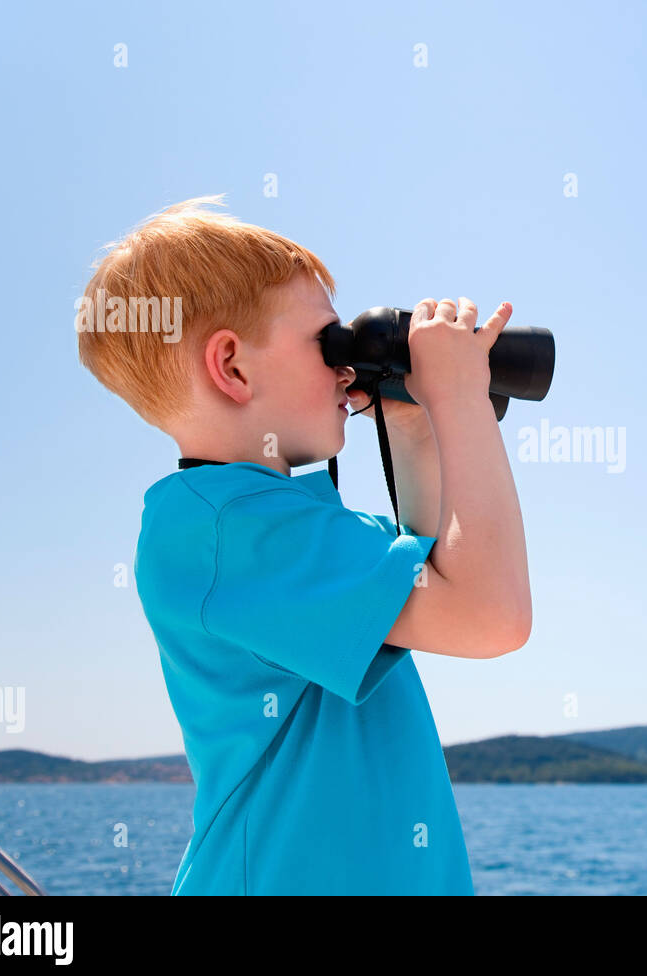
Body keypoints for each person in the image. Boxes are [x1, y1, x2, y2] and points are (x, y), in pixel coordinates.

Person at [76, 195, 532, 894]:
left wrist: (411, 424)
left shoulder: (254, 524)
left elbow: (443, 570)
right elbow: (490, 613)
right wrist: (460, 397)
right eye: (329, 344)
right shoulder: (228, 532)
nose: (347, 369)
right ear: (231, 366)